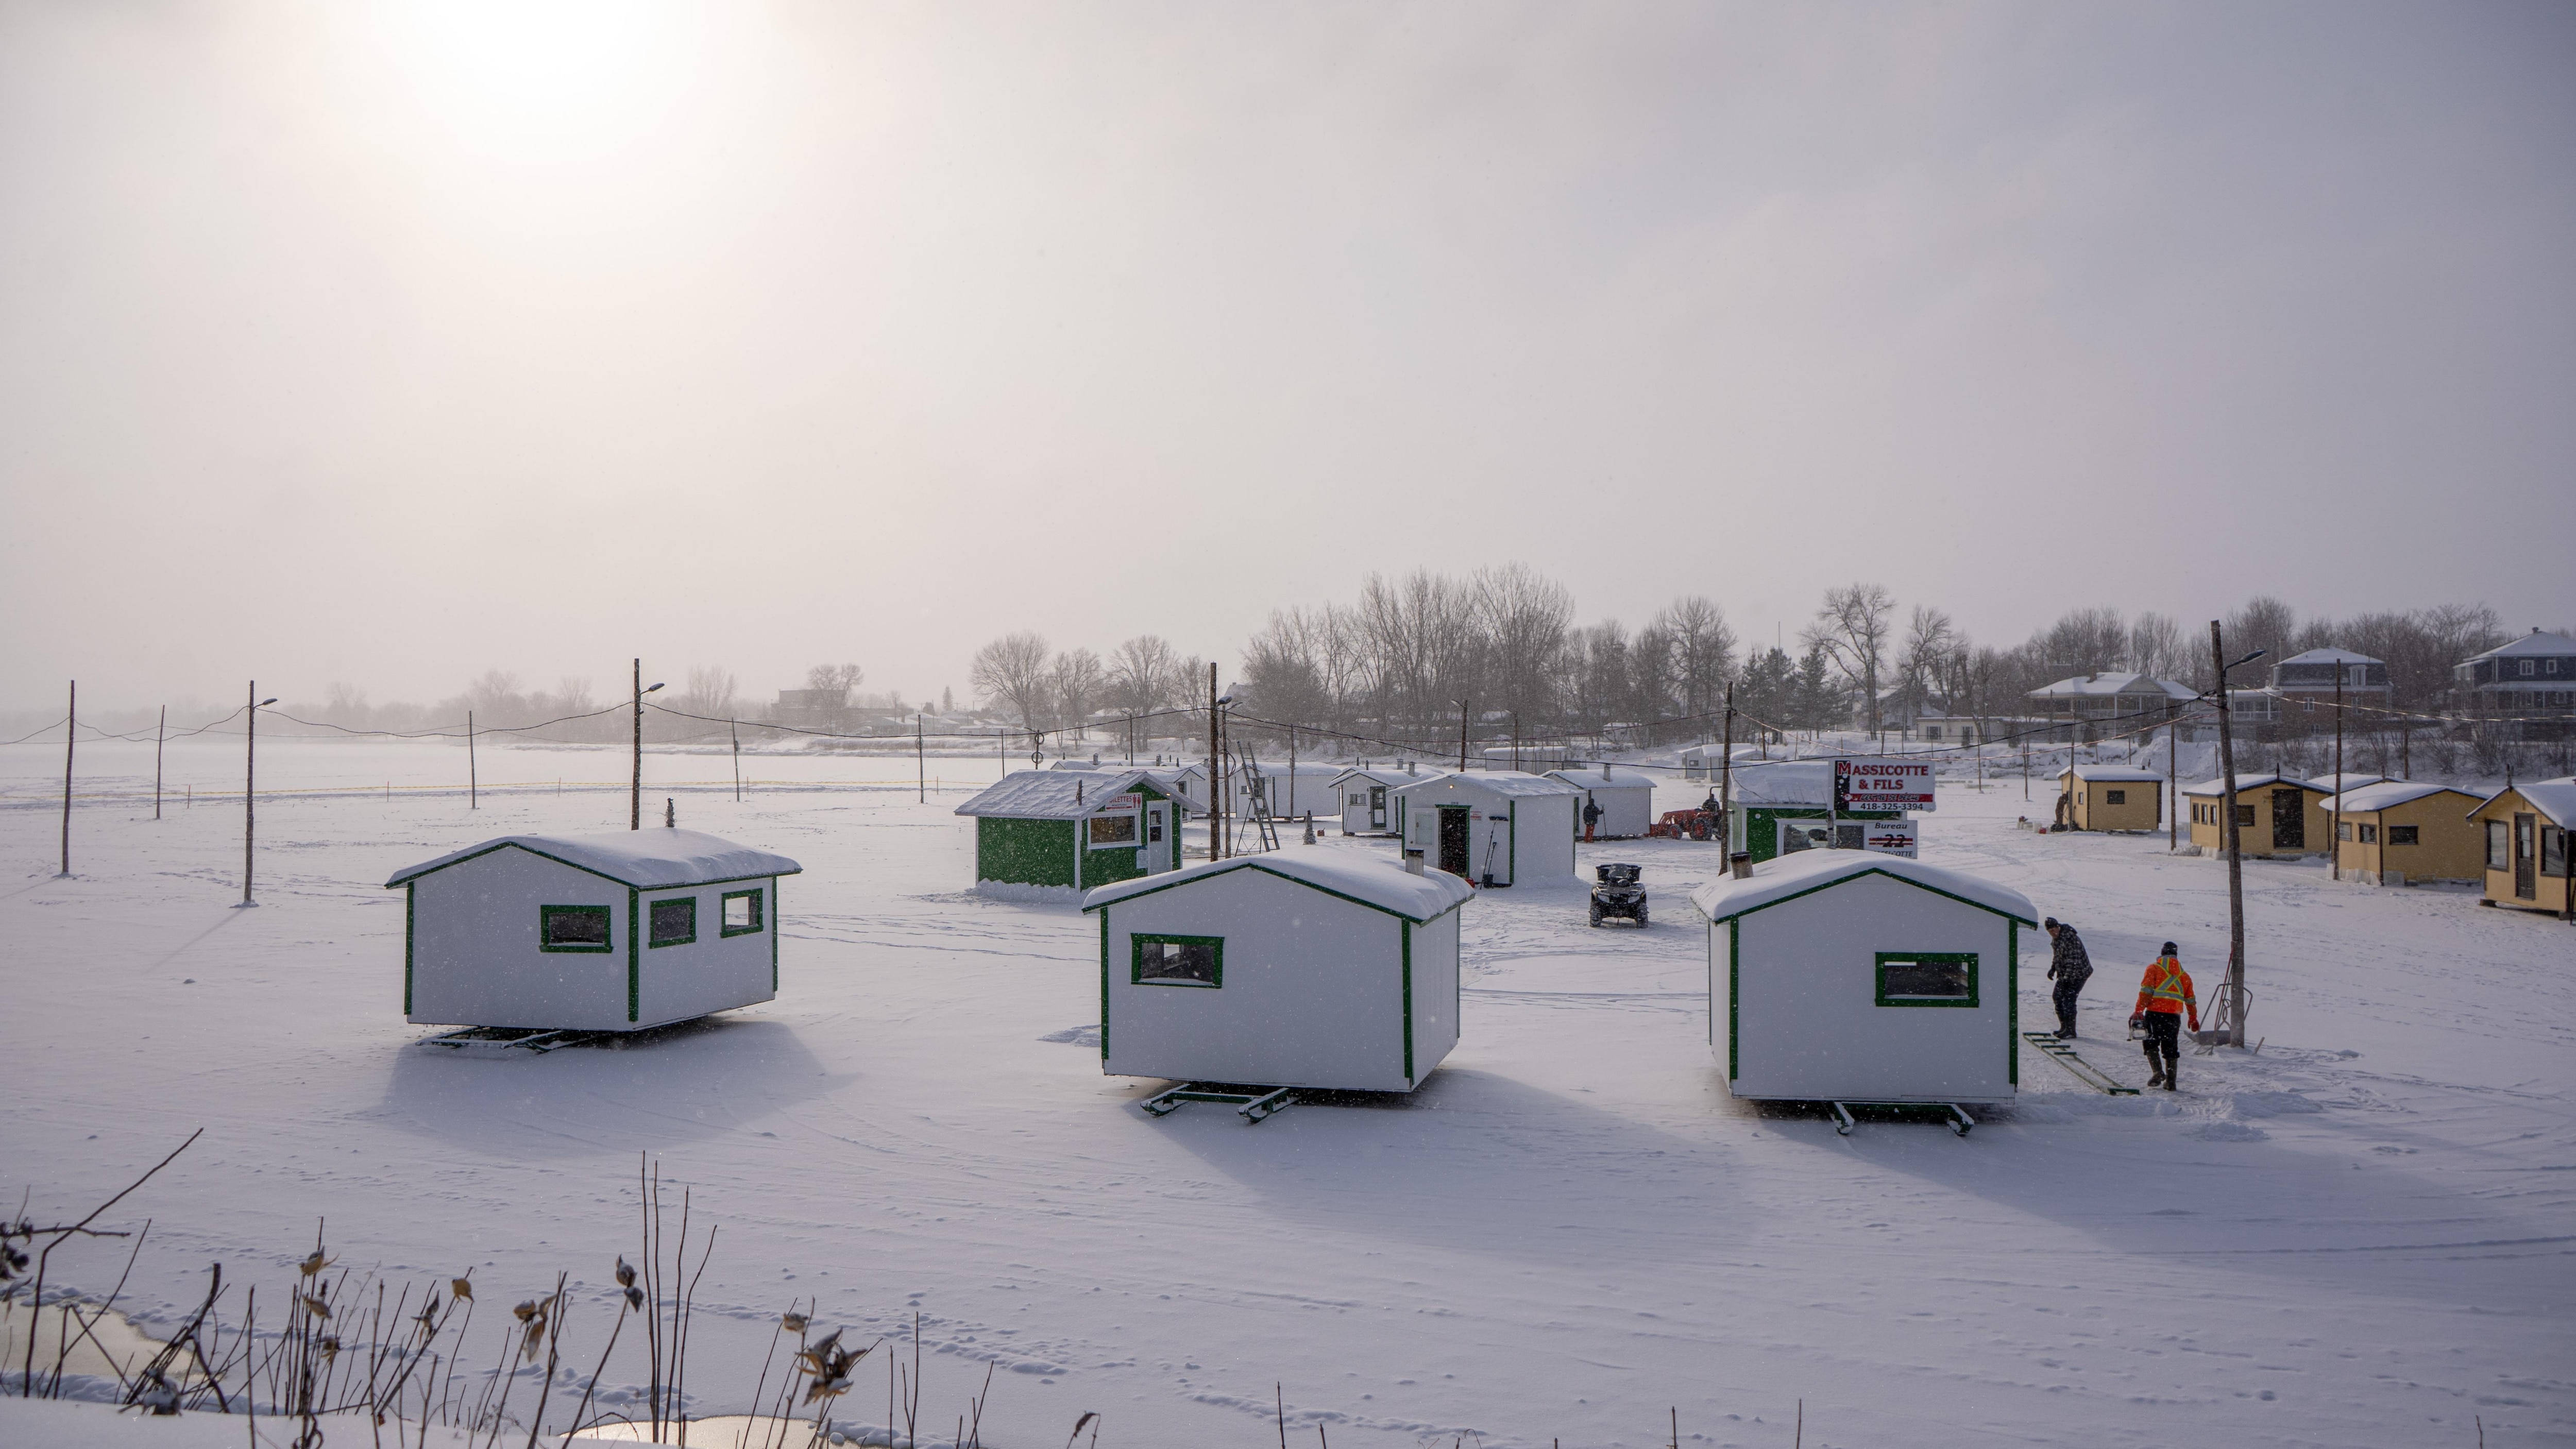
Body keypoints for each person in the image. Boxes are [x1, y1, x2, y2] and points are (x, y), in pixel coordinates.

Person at [2129, 942, 2199, 1090]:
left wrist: (2139, 1010)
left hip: (2154, 1013)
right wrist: (2193, 1017)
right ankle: (2171, 1082)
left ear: (2162, 954)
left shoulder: (2153, 969)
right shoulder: (2185, 976)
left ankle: (2158, 1072)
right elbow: (2191, 1000)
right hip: (2174, 1017)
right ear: (2176, 956)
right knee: (2171, 1047)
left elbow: (2146, 992)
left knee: (2150, 1042)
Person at [2043, 917, 2091, 1039]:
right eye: (2050, 931)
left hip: (2080, 974)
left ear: (2058, 927)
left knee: (2069, 1000)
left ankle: (2071, 1031)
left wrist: (2066, 979)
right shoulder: (2056, 940)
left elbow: (2073, 961)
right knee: (2057, 997)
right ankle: (2064, 1027)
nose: (2053, 933)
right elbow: (2058, 956)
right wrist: (2053, 969)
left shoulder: (2070, 939)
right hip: (2066, 975)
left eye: (2055, 930)